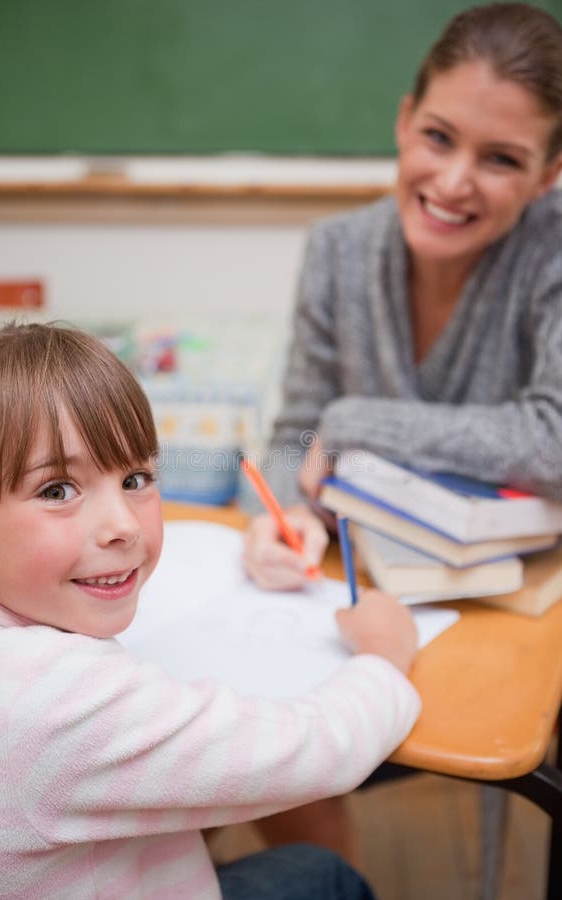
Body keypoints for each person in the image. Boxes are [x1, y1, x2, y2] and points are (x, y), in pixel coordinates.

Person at [242, 0, 562, 857]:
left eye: (502, 159)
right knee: (271, 746)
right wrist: (275, 519)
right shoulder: (338, 251)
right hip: (363, 597)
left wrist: (354, 421)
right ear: (402, 122)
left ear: (548, 175)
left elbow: (554, 442)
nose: (455, 181)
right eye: (438, 136)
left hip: (510, 616)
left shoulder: (553, 257)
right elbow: (291, 435)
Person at [0, 321, 420, 900]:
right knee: (322, 874)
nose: (124, 525)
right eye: (57, 491)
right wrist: (385, 656)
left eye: (135, 479)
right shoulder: (56, 702)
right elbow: (318, 752)